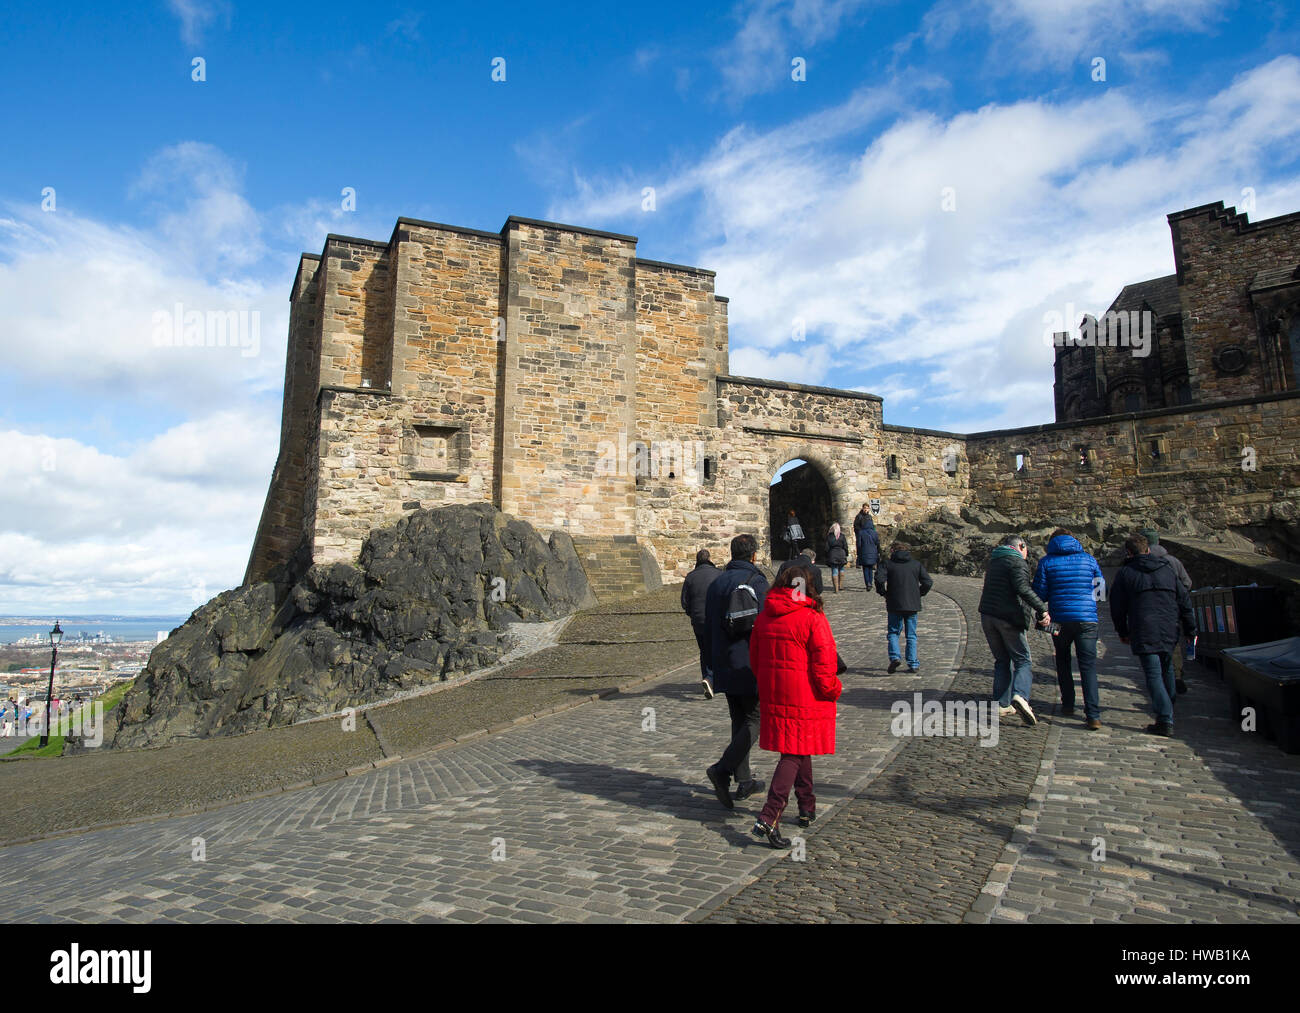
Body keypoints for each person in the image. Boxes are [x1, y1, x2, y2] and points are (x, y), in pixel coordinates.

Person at [748, 562, 842, 848]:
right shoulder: (812, 617)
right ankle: (770, 815)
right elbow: (826, 664)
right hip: (805, 696)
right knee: (793, 753)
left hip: (776, 693)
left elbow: (755, 659)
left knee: (800, 747)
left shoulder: (764, 617)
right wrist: (834, 690)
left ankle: (806, 805)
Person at [704, 534, 770, 809]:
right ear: (753, 555)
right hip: (750, 662)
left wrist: (709, 668)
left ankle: (744, 780)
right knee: (757, 719)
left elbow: (708, 627)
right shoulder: (756, 581)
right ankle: (723, 769)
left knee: (739, 719)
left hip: (725, 662)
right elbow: (768, 625)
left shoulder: (716, 583)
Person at [1110, 532, 1196, 737]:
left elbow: (1117, 607)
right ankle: (1169, 705)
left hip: (1143, 627)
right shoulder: (1167, 570)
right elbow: (1184, 601)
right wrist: (1191, 629)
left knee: (1153, 673)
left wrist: (1122, 631)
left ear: (1129, 553)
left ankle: (1165, 717)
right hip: (1168, 625)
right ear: (1148, 550)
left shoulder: (1125, 573)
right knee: (1166, 667)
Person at [1032, 528, 1105, 730]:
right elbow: (1100, 590)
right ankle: (1093, 715)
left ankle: (1068, 704)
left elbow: (1040, 593)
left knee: (1063, 660)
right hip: (1087, 620)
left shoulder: (1047, 562)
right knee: (1088, 666)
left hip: (1060, 620)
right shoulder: (1089, 560)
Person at [978, 534, 1050, 725]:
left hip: (988, 615)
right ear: (1020, 546)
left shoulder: (994, 561)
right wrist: (1042, 609)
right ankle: (1021, 696)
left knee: (1002, 660)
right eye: (1026, 549)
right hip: (1008, 617)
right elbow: (1022, 589)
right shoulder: (1017, 563)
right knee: (1023, 659)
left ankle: (1002, 704)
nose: (1027, 554)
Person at [1142, 529, 1194, 694]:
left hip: (1147, 611)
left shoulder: (1139, 562)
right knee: (1173, 644)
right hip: (1172, 609)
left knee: (1150, 647)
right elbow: (1187, 583)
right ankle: (1176, 675)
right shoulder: (1173, 561)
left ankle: (1159, 680)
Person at [875, 541, 933, 674]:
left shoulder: (888, 564)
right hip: (912, 604)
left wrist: (883, 592)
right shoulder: (915, 564)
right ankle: (913, 663)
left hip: (894, 603)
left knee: (893, 632)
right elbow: (928, 582)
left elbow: (879, 579)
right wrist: (919, 593)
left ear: (892, 551)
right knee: (911, 635)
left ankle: (895, 657)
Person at [681, 549, 723, 699]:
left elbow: (685, 602)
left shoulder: (691, 577)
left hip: (698, 620)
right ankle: (712, 679)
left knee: (704, 650)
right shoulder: (718, 574)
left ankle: (708, 677)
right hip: (716, 619)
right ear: (709, 559)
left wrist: (693, 614)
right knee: (717, 648)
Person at [855, 507, 880, 590]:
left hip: (864, 552)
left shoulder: (861, 533)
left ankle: (868, 583)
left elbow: (859, 544)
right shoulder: (874, 533)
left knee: (865, 568)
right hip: (873, 553)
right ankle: (870, 582)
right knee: (870, 568)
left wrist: (858, 553)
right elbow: (877, 543)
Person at [825, 523, 849, 593]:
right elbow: (845, 546)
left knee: (834, 571)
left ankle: (836, 588)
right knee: (841, 569)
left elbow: (826, 548)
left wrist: (827, 555)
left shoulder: (829, 537)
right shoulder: (842, 536)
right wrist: (846, 554)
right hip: (841, 554)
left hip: (833, 554)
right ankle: (841, 585)